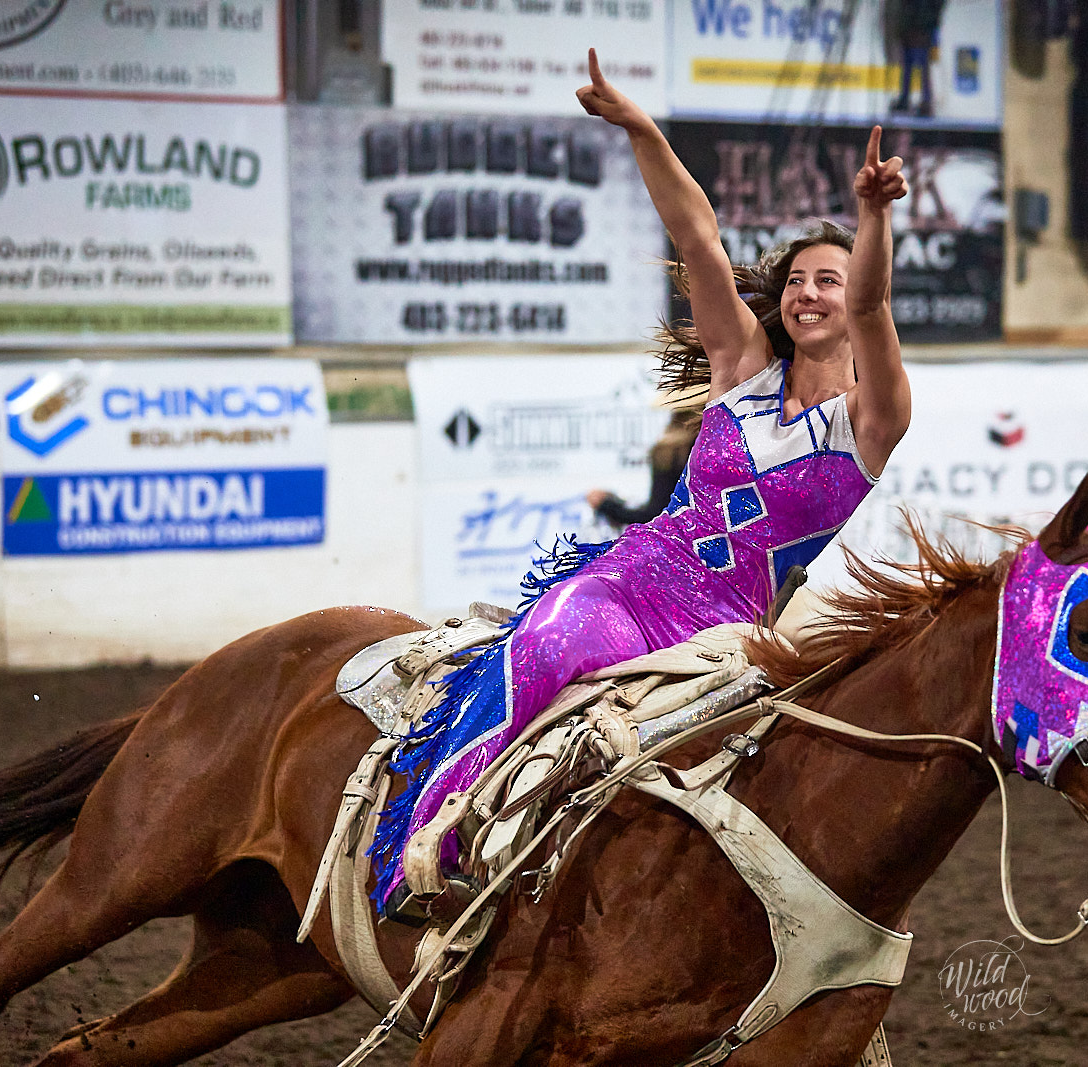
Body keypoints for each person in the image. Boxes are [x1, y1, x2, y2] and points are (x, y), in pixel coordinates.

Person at [369, 49, 912, 916]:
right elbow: (696, 235)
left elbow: (879, 304)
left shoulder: (871, 421)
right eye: (800, 279)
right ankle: (429, 844)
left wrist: (870, 216)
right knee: (548, 647)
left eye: (830, 281)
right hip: (632, 583)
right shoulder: (741, 365)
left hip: (726, 633)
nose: (810, 292)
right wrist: (642, 130)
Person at [587, 407, 704, 529]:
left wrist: (606, 505)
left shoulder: (670, 451)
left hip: (688, 540)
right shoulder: (708, 449)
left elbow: (656, 513)